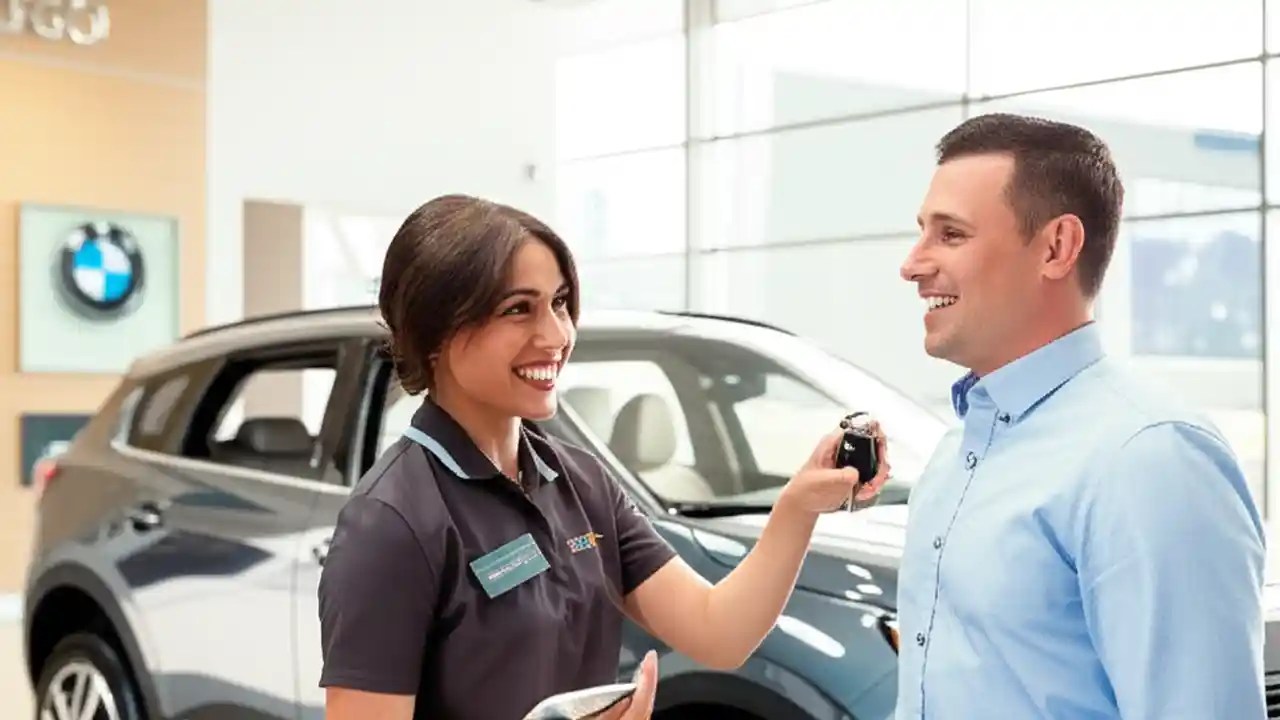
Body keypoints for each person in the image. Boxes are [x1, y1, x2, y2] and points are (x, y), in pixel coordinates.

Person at [317, 194, 891, 720]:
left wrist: (798, 507)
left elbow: (720, 632)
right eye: (519, 309)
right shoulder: (392, 522)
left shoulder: (582, 483)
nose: (555, 335)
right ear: (436, 330)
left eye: (560, 303)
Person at [895, 111, 1267, 719]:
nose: (912, 264)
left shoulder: (1149, 458)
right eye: (922, 232)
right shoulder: (958, 450)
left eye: (951, 234)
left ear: (1056, 248)